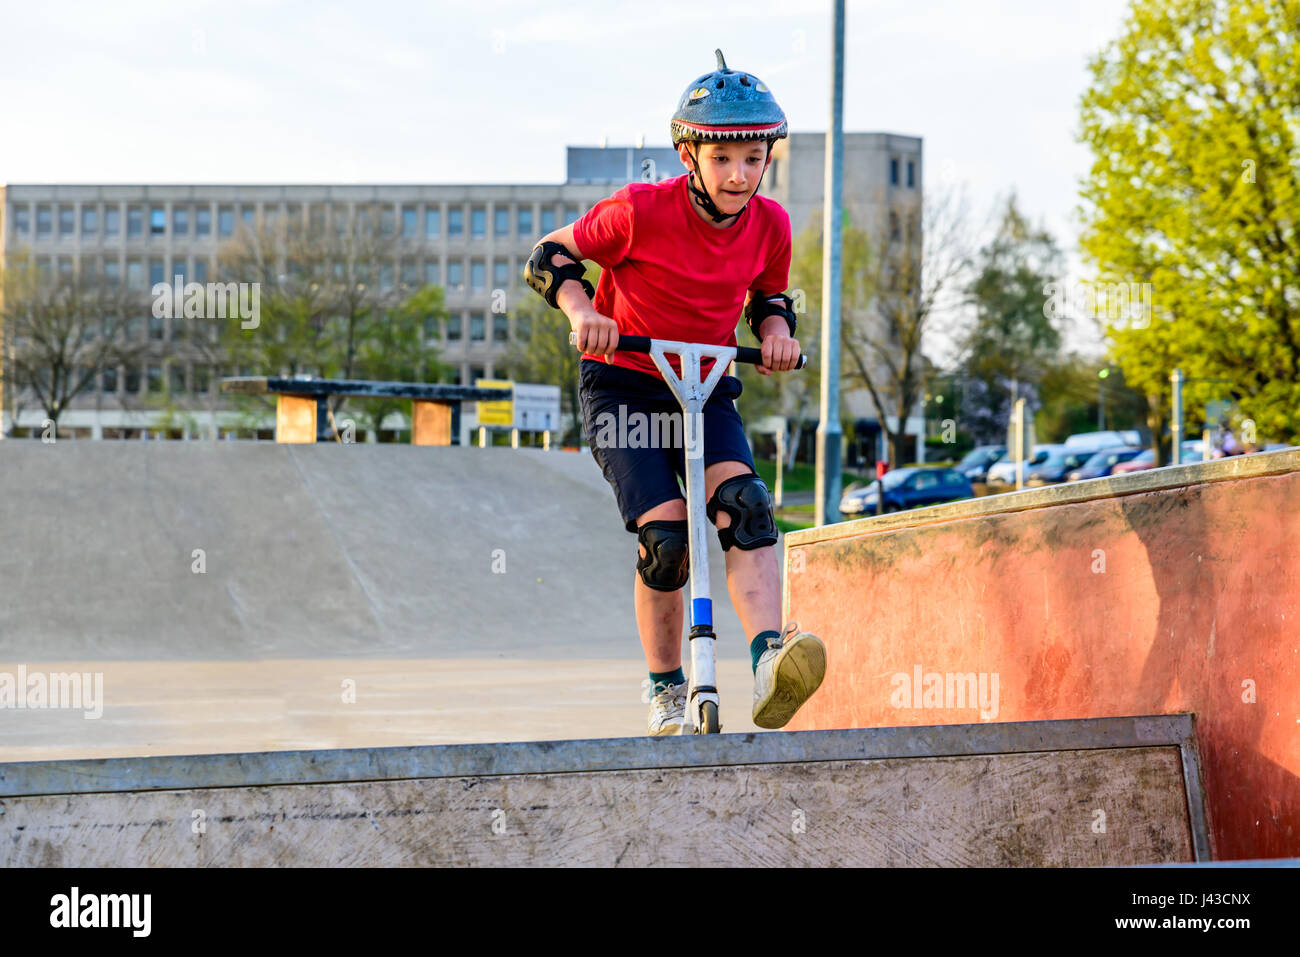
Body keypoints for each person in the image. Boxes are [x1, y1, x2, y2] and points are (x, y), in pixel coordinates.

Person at [523, 50, 827, 735]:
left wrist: (776, 330)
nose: (739, 175)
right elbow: (549, 254)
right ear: (690, 155)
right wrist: (583, 312)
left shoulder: (771, 225)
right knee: (667, 540)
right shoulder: (638, 211)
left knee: (745, 507)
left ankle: (768, 660)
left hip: (706, 382)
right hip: (625, 384)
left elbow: (769, 295)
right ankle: (666, 689)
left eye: (753, 159)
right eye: (723, 160)